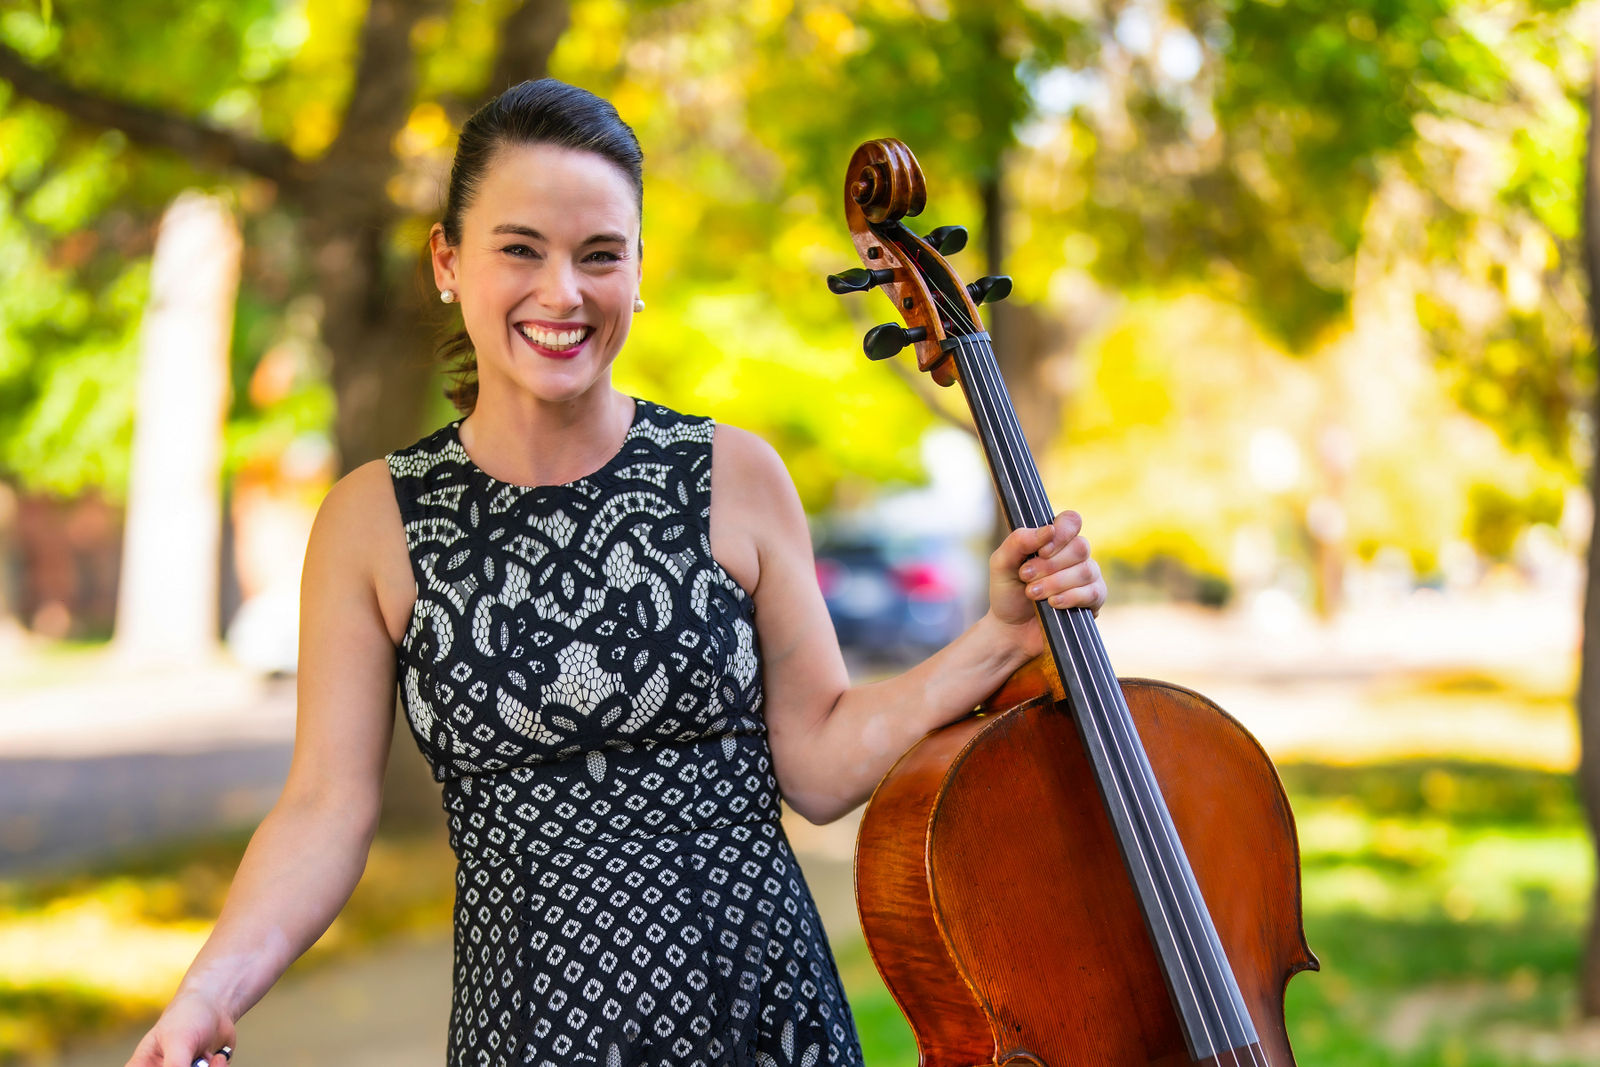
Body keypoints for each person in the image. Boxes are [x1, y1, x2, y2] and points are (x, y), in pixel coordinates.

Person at [128, 79, 1106, 1067]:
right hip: (529, 1037)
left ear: (637, 272)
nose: (563, 292)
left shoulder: (736, 474)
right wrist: (210, 990)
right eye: (519, 249)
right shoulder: (370, 519)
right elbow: (325, 810)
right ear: (447, 261)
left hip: (766, 1025)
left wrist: (1000, 636)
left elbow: (815, 762)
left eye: (600, 254)